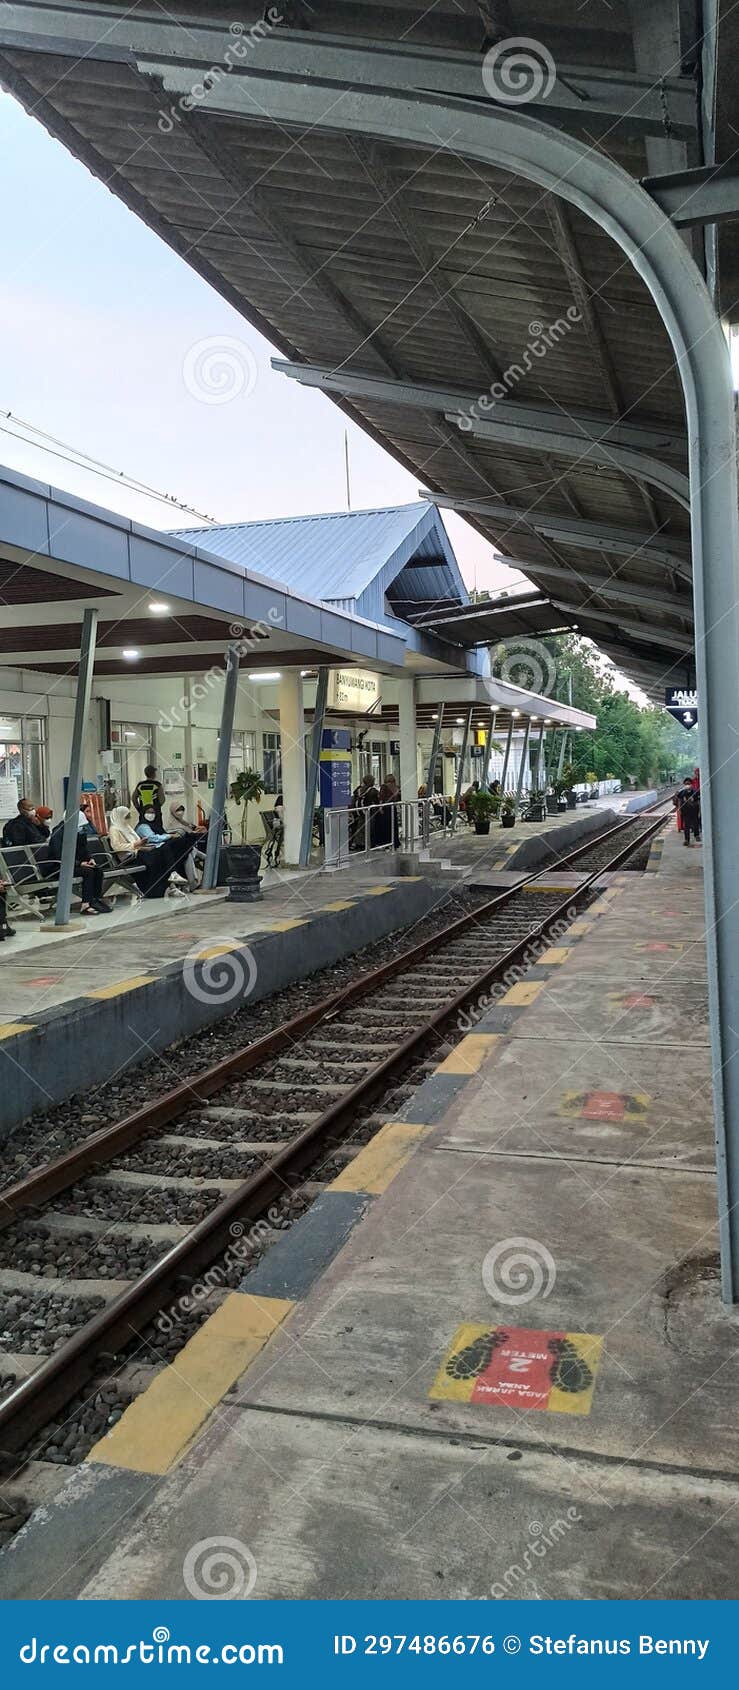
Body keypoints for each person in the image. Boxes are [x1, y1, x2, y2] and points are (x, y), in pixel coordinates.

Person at [46, 817, 112, 915]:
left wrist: (89, 859)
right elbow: (59, 856)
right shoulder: (58, 834)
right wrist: (79, 863)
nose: (81, 828)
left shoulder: (78, 832)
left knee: (97, 870)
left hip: (74, 864)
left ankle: (95, 899)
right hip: (58, 867)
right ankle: (85, 905)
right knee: (88, 872)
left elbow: (84, 849)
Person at [137, 807, 200, 888]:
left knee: (186, 849)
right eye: (148, 812)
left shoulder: (156, 825)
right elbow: (152, 838)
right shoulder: (142, 826)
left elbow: (163, 835)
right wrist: (170, 836)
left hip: (164, 848)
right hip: (155, 850)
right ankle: (192, 882)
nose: (151, 814)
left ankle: (188, 882)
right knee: (185, 847)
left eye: (153, 812)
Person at [131, 765, 166, 830]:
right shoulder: (157, 785)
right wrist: (156, 807)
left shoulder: (140, 785)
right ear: (154, 774)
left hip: (143, 812)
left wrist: (139, 809)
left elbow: (134, 798)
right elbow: (162, 799)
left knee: (144, 829)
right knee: (157, 829)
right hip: (155, 812)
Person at [676, 777, 701, 847]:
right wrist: (679, 810)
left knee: (696, 824)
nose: (687, 785)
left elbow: (698, 802)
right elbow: (679, 801)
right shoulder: (682, 793)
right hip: (685, 812)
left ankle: (697, 836)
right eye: (686, 784)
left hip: (694, 811)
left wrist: (699, 811)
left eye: (689, 783)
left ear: (691, 784)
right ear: (684, 784)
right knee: (686, 826)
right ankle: (687, 840)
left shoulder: (695, 792)